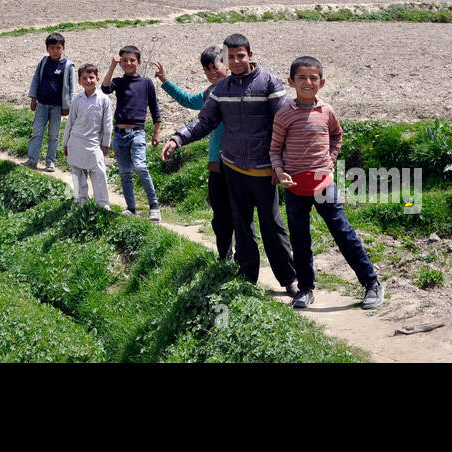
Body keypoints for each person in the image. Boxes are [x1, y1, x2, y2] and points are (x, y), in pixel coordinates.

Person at [161, 34, 296, 292]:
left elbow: (284, 121)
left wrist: (285, 162)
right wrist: (178, 138)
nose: (235, 61)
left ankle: (289, 280)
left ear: (250, 54)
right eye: (230, 57)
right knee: (242, 226)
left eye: (240, 56)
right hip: (233, 168)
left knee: (272, 225)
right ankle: (247, 278)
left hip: (264, 169)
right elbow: (204, 122)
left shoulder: (268, 82)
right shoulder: (221, 90)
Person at [272, 55, 384, 310]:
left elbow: (337, 135)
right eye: (301, 78)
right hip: (294, 189)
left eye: (313, 78)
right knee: (300, 241)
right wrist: (279, 170)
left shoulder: (327, 111)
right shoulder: (284, 115)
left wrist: (330, 161)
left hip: (324, 186)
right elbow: (275, 148)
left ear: (321, 82)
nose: (307, 82)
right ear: (291, 81)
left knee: (343, 233)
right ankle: (306, 289)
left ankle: (372, 283)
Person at [155, 47, 233, 261]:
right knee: (220, 215)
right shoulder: (209, 93)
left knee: (241, 216)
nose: (211, 72)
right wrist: (166, 81)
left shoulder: (239, 91)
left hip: (240, 163)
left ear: (226, 65)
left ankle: (246, 262)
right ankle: (225, 258)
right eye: (206, 69)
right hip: (216, 163)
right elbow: (189, 101)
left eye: (214, 66)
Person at [101, 44, 162, 221]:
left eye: (132, 60)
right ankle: (131, 208)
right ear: (121, 63)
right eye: (124, 60)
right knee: (125, 172)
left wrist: (156, 132)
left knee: (140, 166)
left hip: (137, 132)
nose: (128, 63)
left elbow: (155, 108)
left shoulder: (146, 83)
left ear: (139, 62)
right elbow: (105, 88)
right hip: (120, 134)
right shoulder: (119, 82)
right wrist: (112, 66)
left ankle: (154, 205)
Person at [63, 63, 113, 209]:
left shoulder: (104, 100)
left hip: (93, 143)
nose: (88, 81)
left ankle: (102, 205)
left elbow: (107, 124)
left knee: (98, 172)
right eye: (84, 78)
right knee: (77, 173)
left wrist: (105, 144)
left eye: (91, 77)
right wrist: (65, 143)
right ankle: (81, 201)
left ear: (97, 78)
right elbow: (70, 122)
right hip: (75, 141)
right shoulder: (77, 100)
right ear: (79, 81)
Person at [26, 32, 75, 172]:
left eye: (58, 48)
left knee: (54, 135)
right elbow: (36, 80)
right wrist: (33, 98)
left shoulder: (68, 65)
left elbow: (71, 88)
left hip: (57, 107)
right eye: (52, 48)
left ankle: (50, 162)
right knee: (37, 132)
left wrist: (68, 106)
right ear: (47, 49)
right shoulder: (43, 62)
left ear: (63, 48)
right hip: (42, 104)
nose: (55, 51)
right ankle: (32, 161)